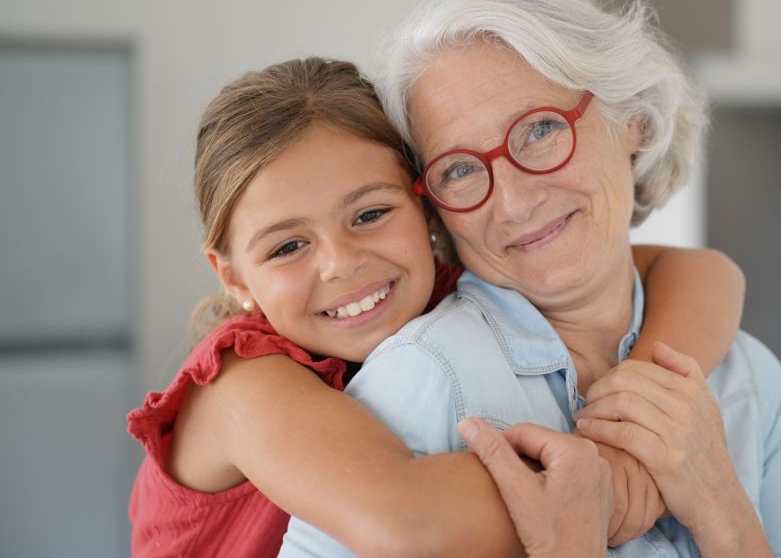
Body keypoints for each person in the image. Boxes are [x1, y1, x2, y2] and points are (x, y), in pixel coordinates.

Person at [280, 0, 781, 557]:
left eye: (540, 130)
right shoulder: (422, 378)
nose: (515, 201)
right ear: (435, 211)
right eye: (460, 169)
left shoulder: (750, 381)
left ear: (631, 119)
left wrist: (725, 510)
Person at [127, 57, 747, 557]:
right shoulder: (241, 385)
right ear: (232, 274)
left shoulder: (452, 290)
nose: (341, 263)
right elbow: (408, 524)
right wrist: (624, 478)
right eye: (289, 246)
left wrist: (646, 406)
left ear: (427, 212)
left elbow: (701, 270)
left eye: (370, 215)